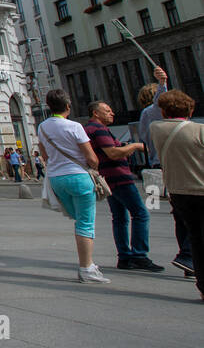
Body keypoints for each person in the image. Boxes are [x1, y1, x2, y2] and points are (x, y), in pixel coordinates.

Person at [36, 89, 110, 283]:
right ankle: (87, 268)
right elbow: (91, 158)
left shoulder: (42, 127)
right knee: (85, 224)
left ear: (49, 106)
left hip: (56, 179)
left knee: (80, 220)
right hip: (78, 177)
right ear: (68, 106)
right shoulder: (75, 126)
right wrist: (93, 165)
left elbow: (45, 156)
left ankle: (89, 264)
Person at [85, 101, 163, 271]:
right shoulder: (98, 129)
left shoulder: (90, 129)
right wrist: (135, 146)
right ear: (95, 113)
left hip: (108, 178)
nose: (112, 113)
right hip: (119, 176)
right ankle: (139, 255)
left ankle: (125, 257)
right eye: (107, 110)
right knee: (141, 214)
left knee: (119, 218)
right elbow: (112, 152)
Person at [151, 90, 203, 296]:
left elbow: (155, 110)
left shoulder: (156, 128)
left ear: (164, 111)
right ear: (190, 109)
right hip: (201, 187)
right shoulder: (199, 130)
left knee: (196, 239)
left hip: (177, 191)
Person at [137, 66, 170, 167]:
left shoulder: (145, 114)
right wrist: (162, 83)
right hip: (167, 163)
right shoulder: (151, 111)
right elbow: (159, 103)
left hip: (158, 162)